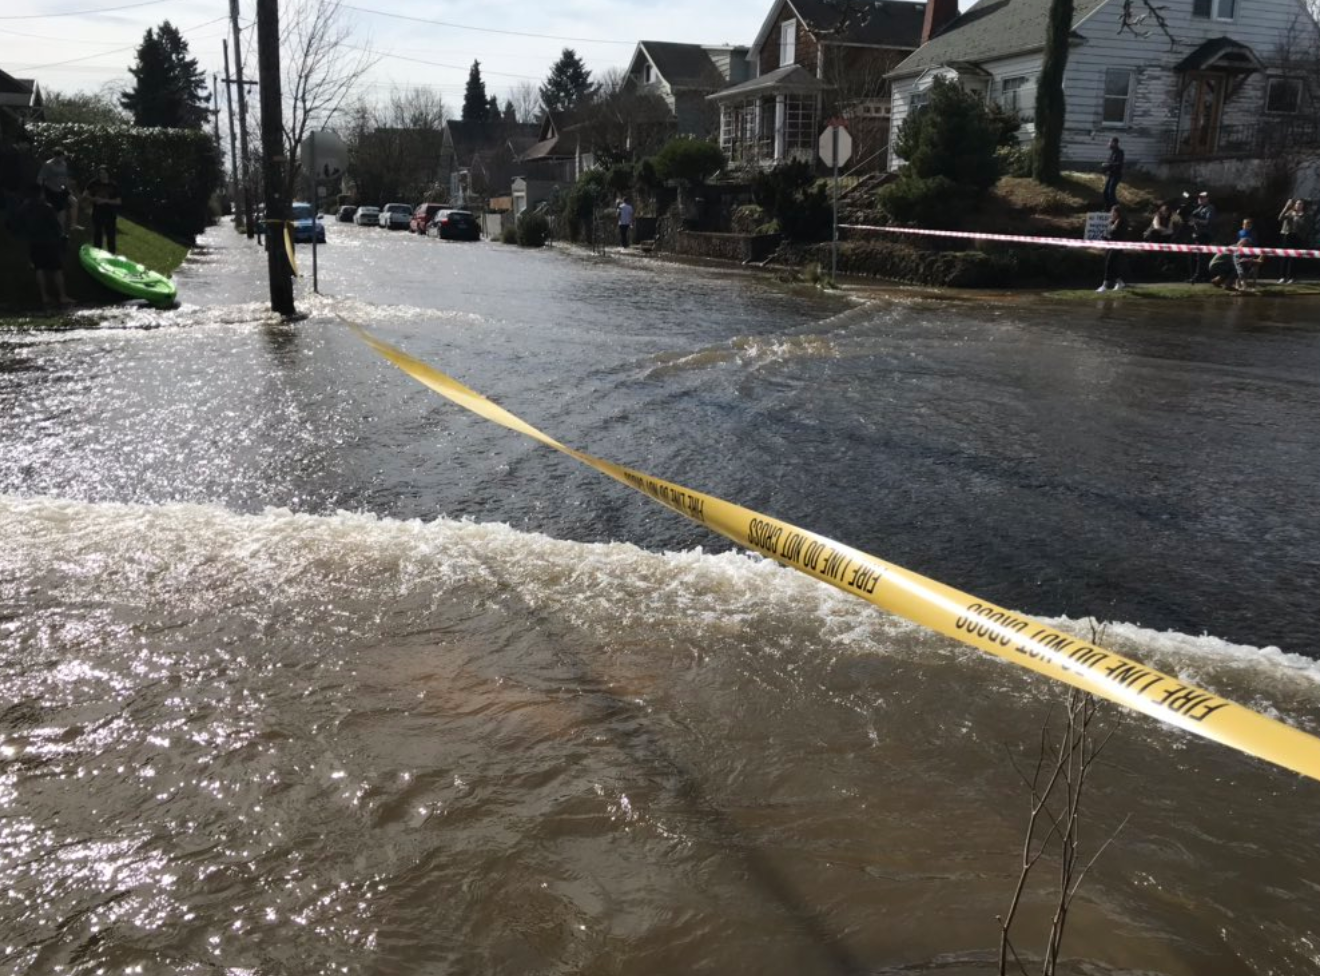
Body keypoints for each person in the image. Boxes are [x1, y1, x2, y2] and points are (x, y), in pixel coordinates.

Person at [14, 182, 74, 308]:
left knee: (39, 268)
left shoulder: (23, 208)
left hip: (34, 242)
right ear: (40, 194)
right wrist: (62, 238)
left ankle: (44, 296)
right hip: (49, 241)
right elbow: (56, 226)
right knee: (57, 269)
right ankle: (62, 296)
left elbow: (17, 225)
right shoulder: (46, 207)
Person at [36, 146, 79, 236]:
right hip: (52, 190)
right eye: (62, 157)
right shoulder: (48, 165)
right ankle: (61, 233)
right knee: (62, 212)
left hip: (62, 188)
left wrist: (68, 188)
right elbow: (40, 178)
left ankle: (73, 225)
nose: (63, 158)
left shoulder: (64, 164)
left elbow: (65, 177)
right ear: (56, 156)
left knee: (74, 202)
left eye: (64, 157)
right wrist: (41, 191)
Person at [81, 165, 122, 253]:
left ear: (108, 173)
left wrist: (105, 201)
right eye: (100, 173)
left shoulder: (113, 185)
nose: (102, 175)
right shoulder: (93, 183)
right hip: (97, 212)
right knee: (98, 234)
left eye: (104, 173)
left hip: (110, 214)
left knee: (111, 236)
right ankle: (97, 253)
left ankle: (112, 254)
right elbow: (85, 195)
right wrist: (94, 199)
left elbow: (118, 201)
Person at [1277, 198, 1313, 284]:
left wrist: (1297, 217)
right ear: (1294, 205)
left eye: (1300, 204)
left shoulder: (1305, 215)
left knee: (1294, 258)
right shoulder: (1289, 213)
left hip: (1297, 236)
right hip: (1287, 235)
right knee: (1285, 256)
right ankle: (1282, 277)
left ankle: (1292, 277)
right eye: (1297, 204)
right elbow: (1280, 218)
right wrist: (1286, 207)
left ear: (1303, 206)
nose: (1298, 205)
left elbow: (1305, 226)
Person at [1096, 204, 1130, 292]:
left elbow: (1116, 234)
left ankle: (1104, 285)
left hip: (1117, 246)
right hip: (1110, 245)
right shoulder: (1112, 222)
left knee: (1109, 264)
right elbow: (1108, 233)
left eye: (1113, 212)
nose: (1111, 213)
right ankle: (1119, 282)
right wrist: (1104, 237)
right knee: (1113, 265)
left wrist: (1108, 234)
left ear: (1118, 212)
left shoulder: (1122, 222)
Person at [1187, 191, 1217, 282]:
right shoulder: (1199, 208)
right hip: (1198, 235)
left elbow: (1207, 222)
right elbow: (1191, 219)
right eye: (1199, 198)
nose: (1200, 199)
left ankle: (1200, 276)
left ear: (1207, 199)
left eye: (1202, 198)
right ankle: (1199, 276)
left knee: (1202, 257)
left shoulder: (1210, 208)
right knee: (1197, 257)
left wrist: (1195, 220)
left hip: (1204, 236)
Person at [1232, 217, 1262, 290]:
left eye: (1249, 224)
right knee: (1240, 268)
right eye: (1245, 224)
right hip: (1240, 253)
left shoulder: (1253, 233)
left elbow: (1255, 243)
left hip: (1250, 253)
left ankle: (1254, 284)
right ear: (1243, 225)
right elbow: (1237, 243)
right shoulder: (1239, 233)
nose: (1247, 225)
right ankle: (1238, 283)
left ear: (1251, 225)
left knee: (1254, 268)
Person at [1101, 137, 1124, 208]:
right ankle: (1108, 208)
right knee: (1105, 192)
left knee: (1111, 192)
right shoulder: (1112, 152)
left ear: (1114, 143)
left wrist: (1108, 165)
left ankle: (1116, 209)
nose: (1108, 144)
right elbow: (1110, 163)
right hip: (1111, 174)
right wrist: (1105, 166)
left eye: (1110, 142)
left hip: (1116, 175)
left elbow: (1119, 164)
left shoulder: (1120, 152)